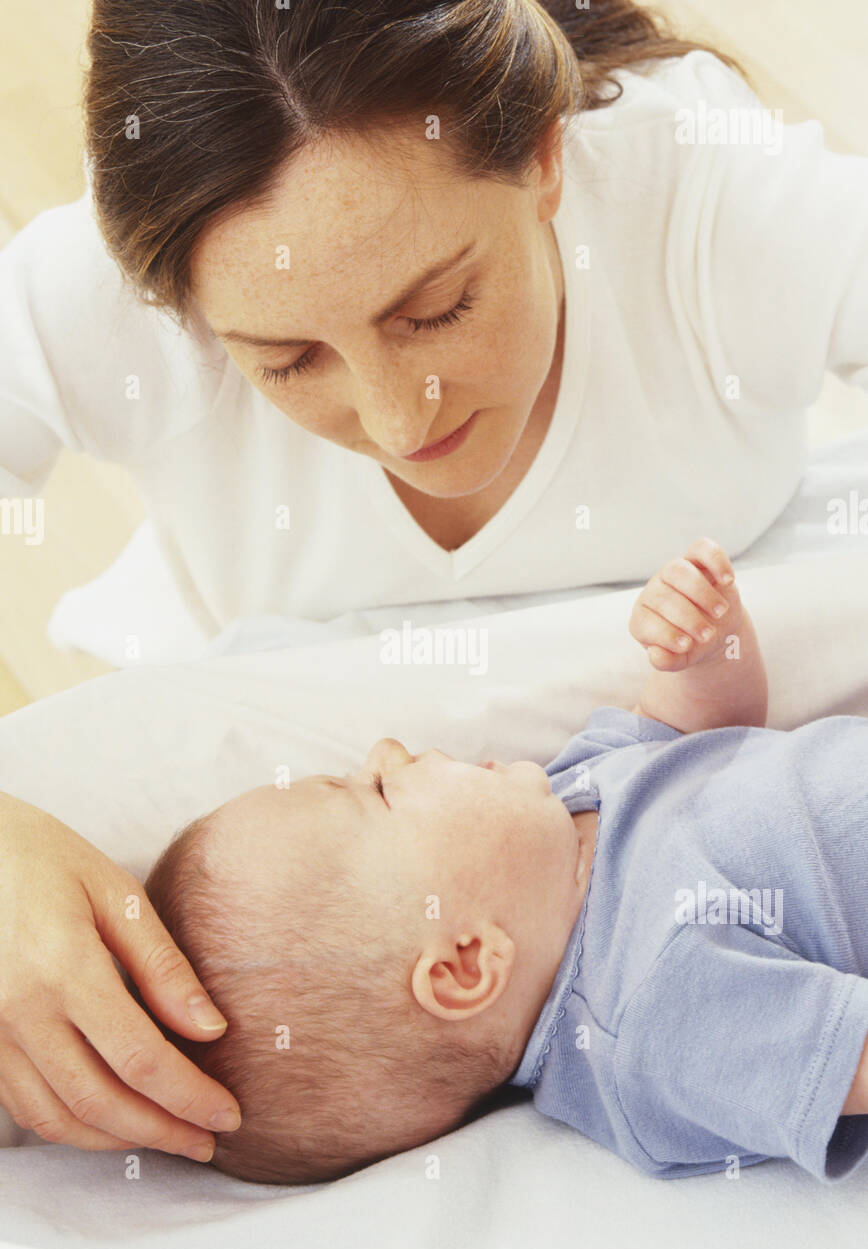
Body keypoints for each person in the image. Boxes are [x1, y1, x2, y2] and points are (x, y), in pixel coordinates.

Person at [2, 0, 867, 1163]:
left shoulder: (708, 206)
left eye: (436, 307)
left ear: (546, 157)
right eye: (287, 361)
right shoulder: (114, 290)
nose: (398, 420)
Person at [141, 536, 868, 1186]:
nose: (386, 750)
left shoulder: (564, 801)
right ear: (466, 965)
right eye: (378, 791)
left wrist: (704, 651)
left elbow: (702, 736)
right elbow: (843, 1062)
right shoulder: (652, 1019)